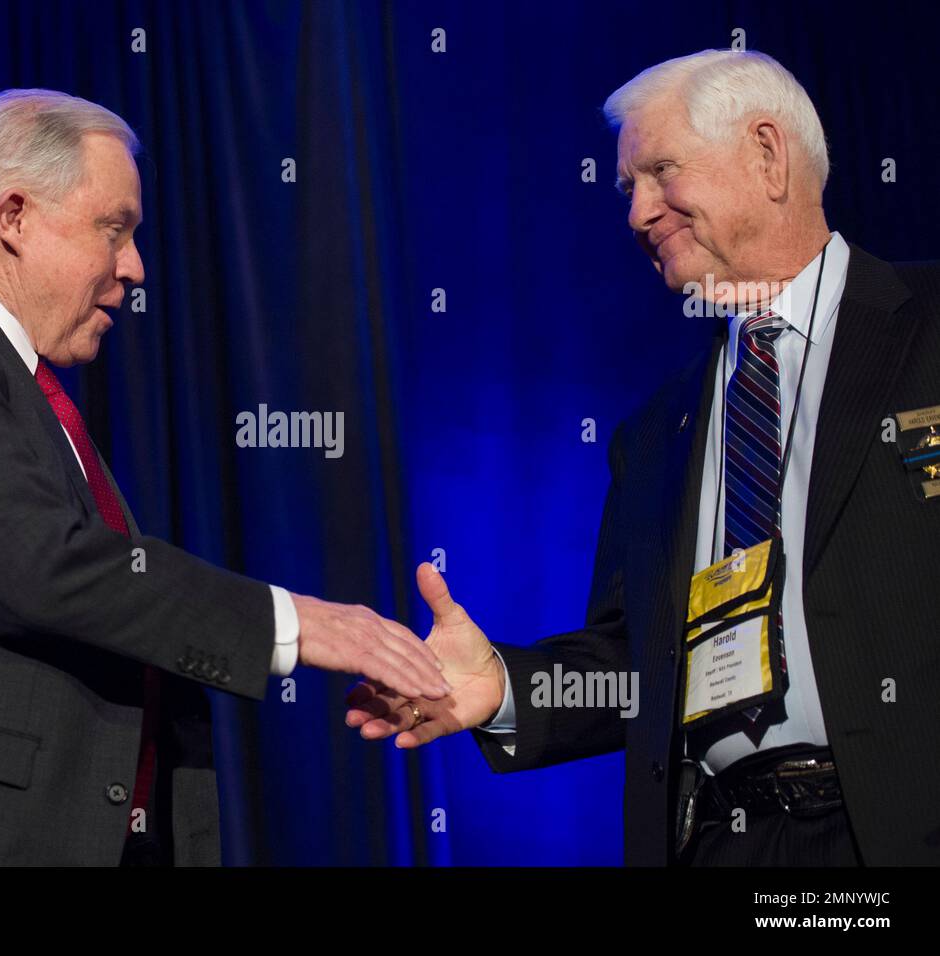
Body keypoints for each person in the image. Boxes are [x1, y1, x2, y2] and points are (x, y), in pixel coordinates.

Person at [0, 89, 451, 867]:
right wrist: (294, 624)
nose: (134, 267)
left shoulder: (25, 391)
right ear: (13, 216)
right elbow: (44, 567)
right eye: (113, 229)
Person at [347, 50, 940, 866]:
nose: (637, 213)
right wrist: (501, 690)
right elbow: (637, 664)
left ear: (769, 155)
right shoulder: (657, 431)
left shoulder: (927, 328)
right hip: (725, 840)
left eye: (660, 172)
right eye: (629, 187)